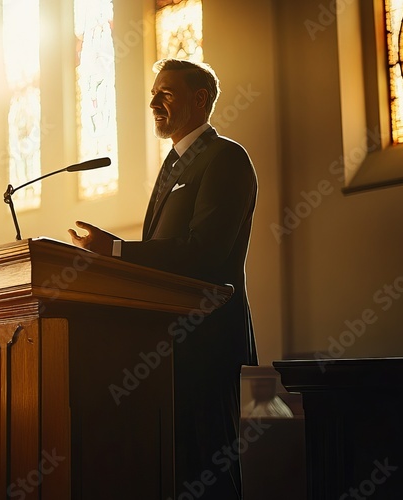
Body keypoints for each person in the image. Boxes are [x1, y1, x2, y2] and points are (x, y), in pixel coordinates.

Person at [68, 58, 258, 499]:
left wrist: (115, 251)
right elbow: (161, 257)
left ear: (200, 100)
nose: (153, 101)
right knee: (175, 470)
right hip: (165, 339)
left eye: (166, 93)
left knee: (210, 464)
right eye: (154, 92)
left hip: (206, 337)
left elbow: (204, 253)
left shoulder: (226, 158)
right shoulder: (173, 164)